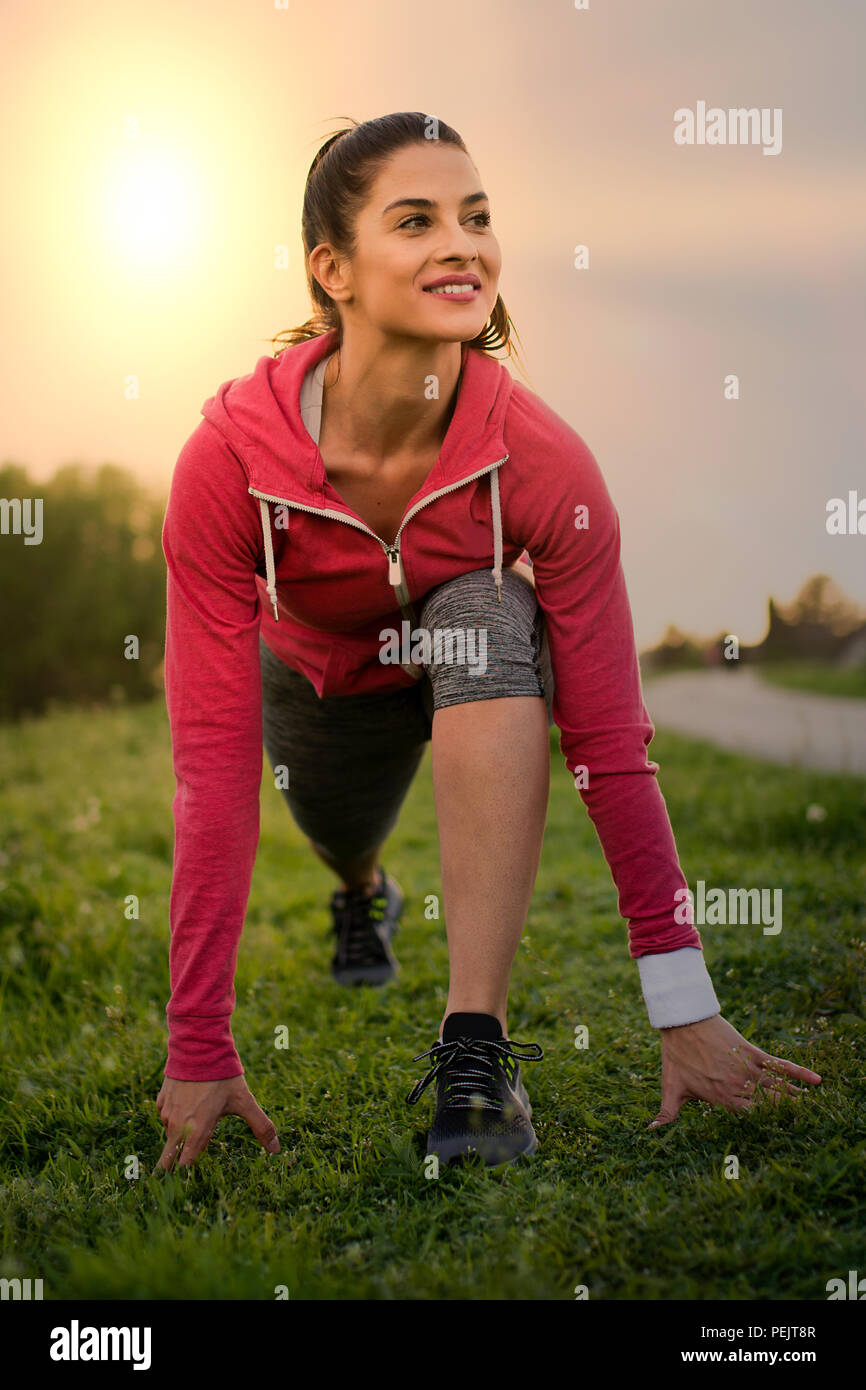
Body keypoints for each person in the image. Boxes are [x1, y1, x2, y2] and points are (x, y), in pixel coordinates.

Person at [155, 112, 821, 1171]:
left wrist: (679, 998)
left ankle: (476, 1048)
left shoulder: (544, 464)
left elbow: (608, 736)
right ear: (332, 268)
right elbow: (213, 763)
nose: (460, 243)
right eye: (414, 220)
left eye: (475, 217)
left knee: (480, 609)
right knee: (338, 831)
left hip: (458, 663)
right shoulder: (226, 463)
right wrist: (198, 1042)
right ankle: (359, 889)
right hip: (316, 688)